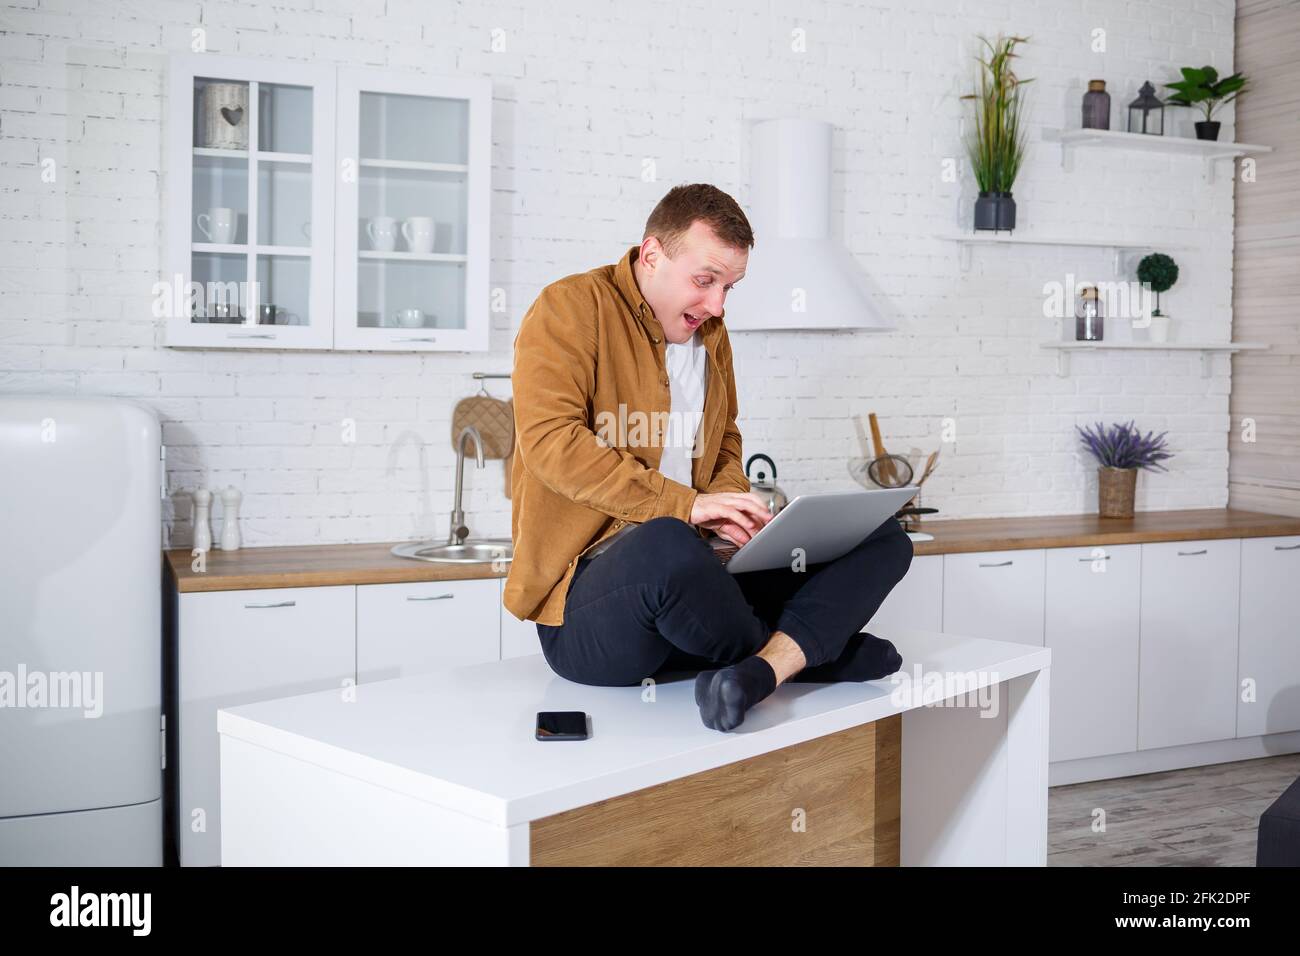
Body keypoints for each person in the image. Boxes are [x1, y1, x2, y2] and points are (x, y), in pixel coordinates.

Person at [505, 183, 913, 731]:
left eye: (728, 287)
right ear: (652, 255)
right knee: (668, 542)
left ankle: (762, 670)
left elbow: (725, 439)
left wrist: (726, 508)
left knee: (881, 536)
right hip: (590, 612)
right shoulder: (571, 307)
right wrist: (688, 506)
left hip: (702, 578)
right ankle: (811, 652)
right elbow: (552, 441)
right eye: (705, 281)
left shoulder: (710, 333)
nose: (717, 305)